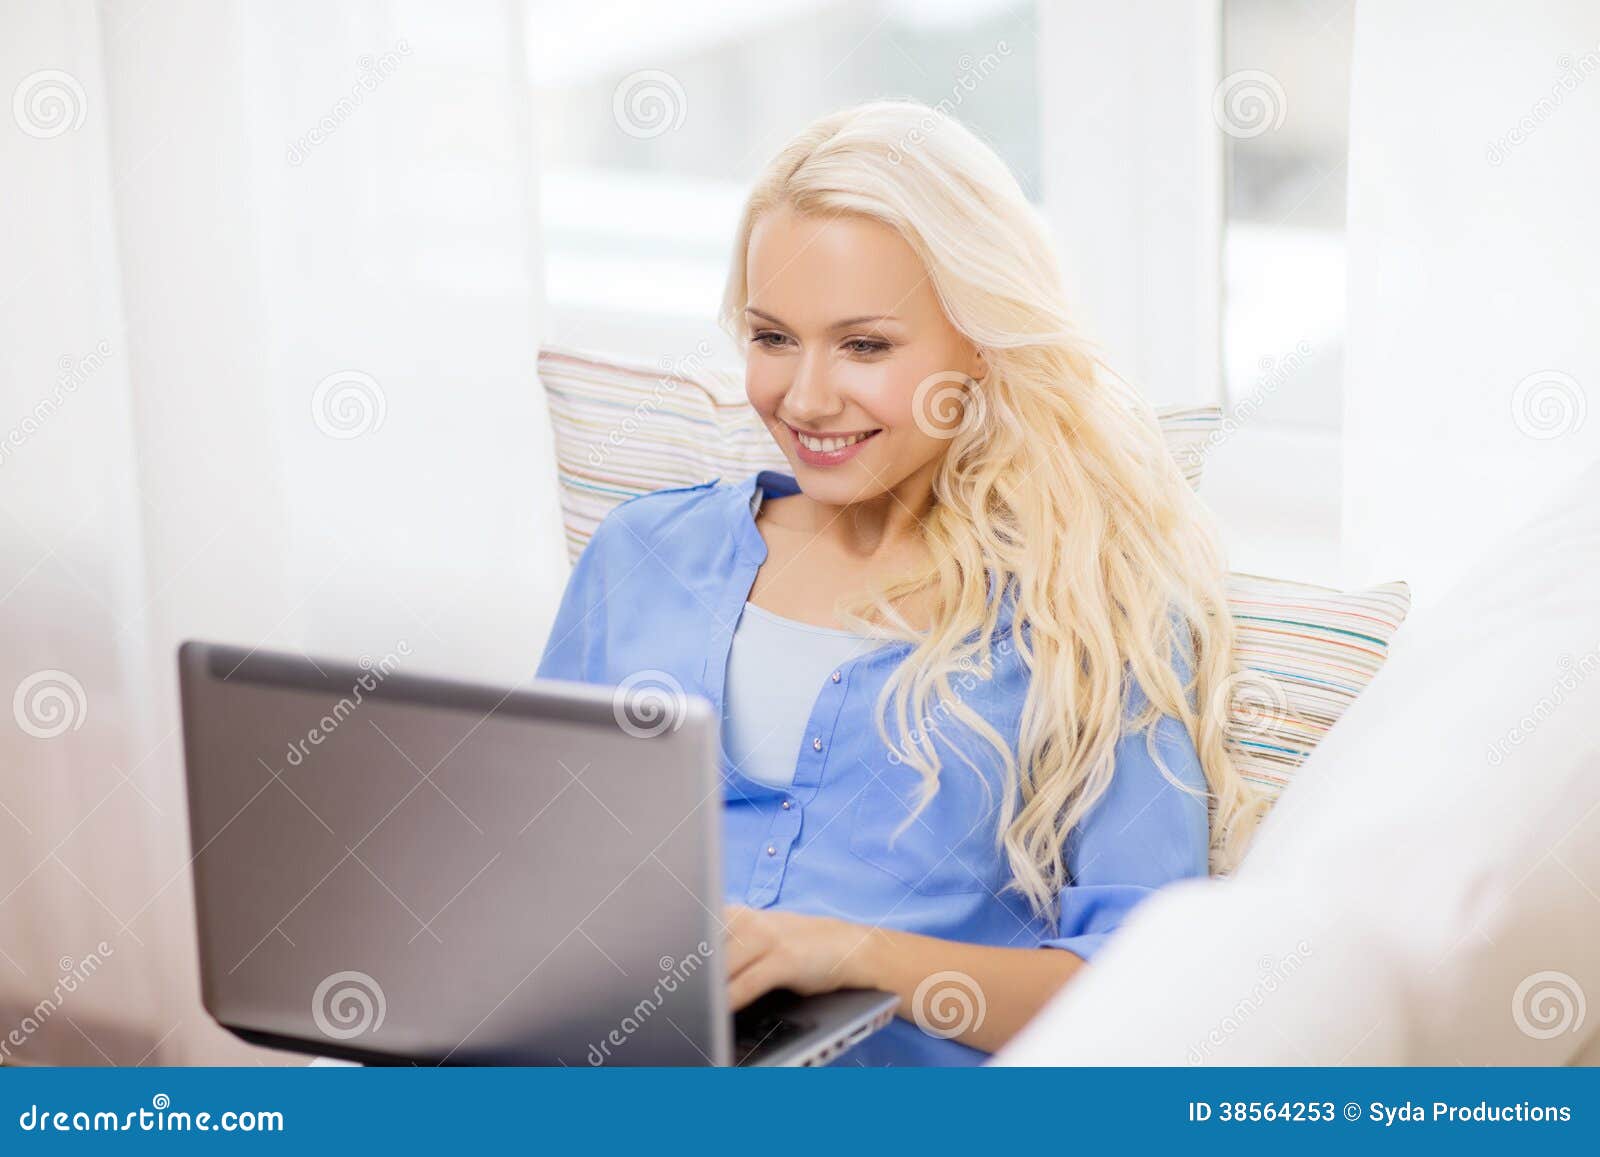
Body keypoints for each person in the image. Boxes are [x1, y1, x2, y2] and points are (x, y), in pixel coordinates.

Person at [536, 99, 1266, 1066]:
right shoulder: (644, 553)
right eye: (771, 336)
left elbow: (1142, 991)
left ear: (982, 344)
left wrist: (854, 954)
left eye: (865, 345)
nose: (804, 397)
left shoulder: (1092, 610)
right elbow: (525, 875)